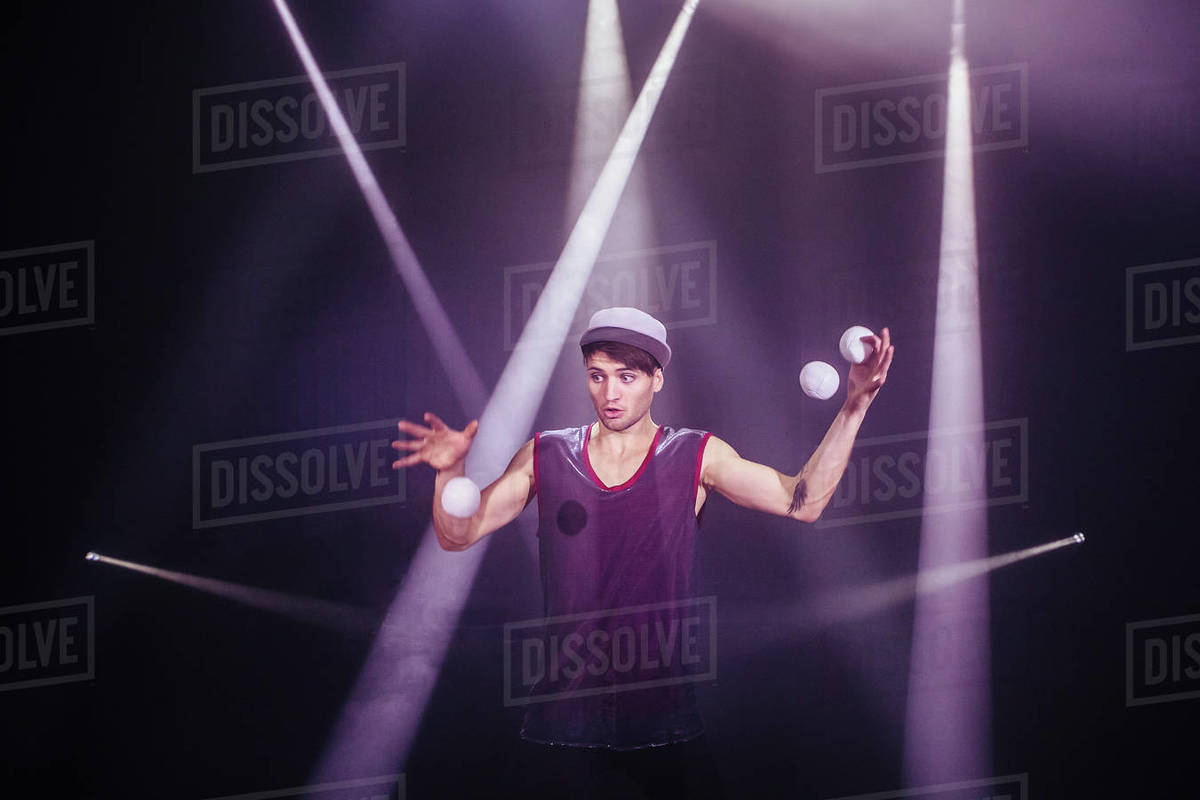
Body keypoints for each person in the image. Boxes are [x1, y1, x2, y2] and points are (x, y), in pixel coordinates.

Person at [392, 307, 895, 798]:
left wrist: (854, 406)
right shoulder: (545, 453)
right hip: (562, 722)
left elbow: (800, 502)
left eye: (627, 377)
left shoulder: (697, 453)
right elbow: (458, 534)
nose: (610, 393)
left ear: (657, 378)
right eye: (597, 376)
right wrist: (448, 474)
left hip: (665, 722)